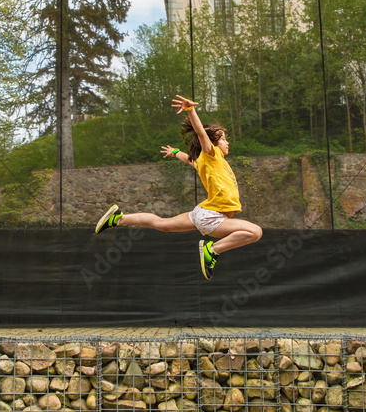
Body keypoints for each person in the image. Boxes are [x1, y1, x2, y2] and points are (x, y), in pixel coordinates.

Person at [93, 94, 263, 279]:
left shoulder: (209, 162)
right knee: (255, 232)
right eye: (223, 139)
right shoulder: (211, 154)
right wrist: (191, 110)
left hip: (203, 213)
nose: (227, 142)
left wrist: (175, 152)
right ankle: (213, 250)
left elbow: (189, 160)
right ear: (213, 142)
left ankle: (118, 218)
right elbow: (201, 133)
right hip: (211, 216)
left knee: (162, 224)